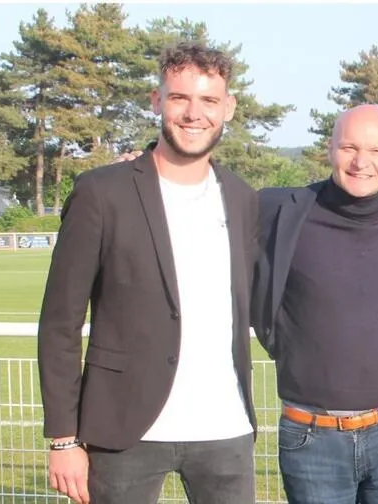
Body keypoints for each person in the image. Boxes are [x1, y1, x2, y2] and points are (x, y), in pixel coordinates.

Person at [37, 42, 259, 504]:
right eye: (180, 98)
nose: (193, 114)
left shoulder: (242, 198)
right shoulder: (102, 193)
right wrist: (63, 438)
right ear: (157, 101)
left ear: (228, 108)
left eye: (209, 101)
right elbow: (60, 323)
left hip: (226, 430)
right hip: (123, 431)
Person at [252, 104, 378, 504]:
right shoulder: (275, 210)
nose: (362, 162)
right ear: (330, 149)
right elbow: (197, 196)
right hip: (311, 438)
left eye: (377, 151)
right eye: (349, 147)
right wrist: (150, 163)